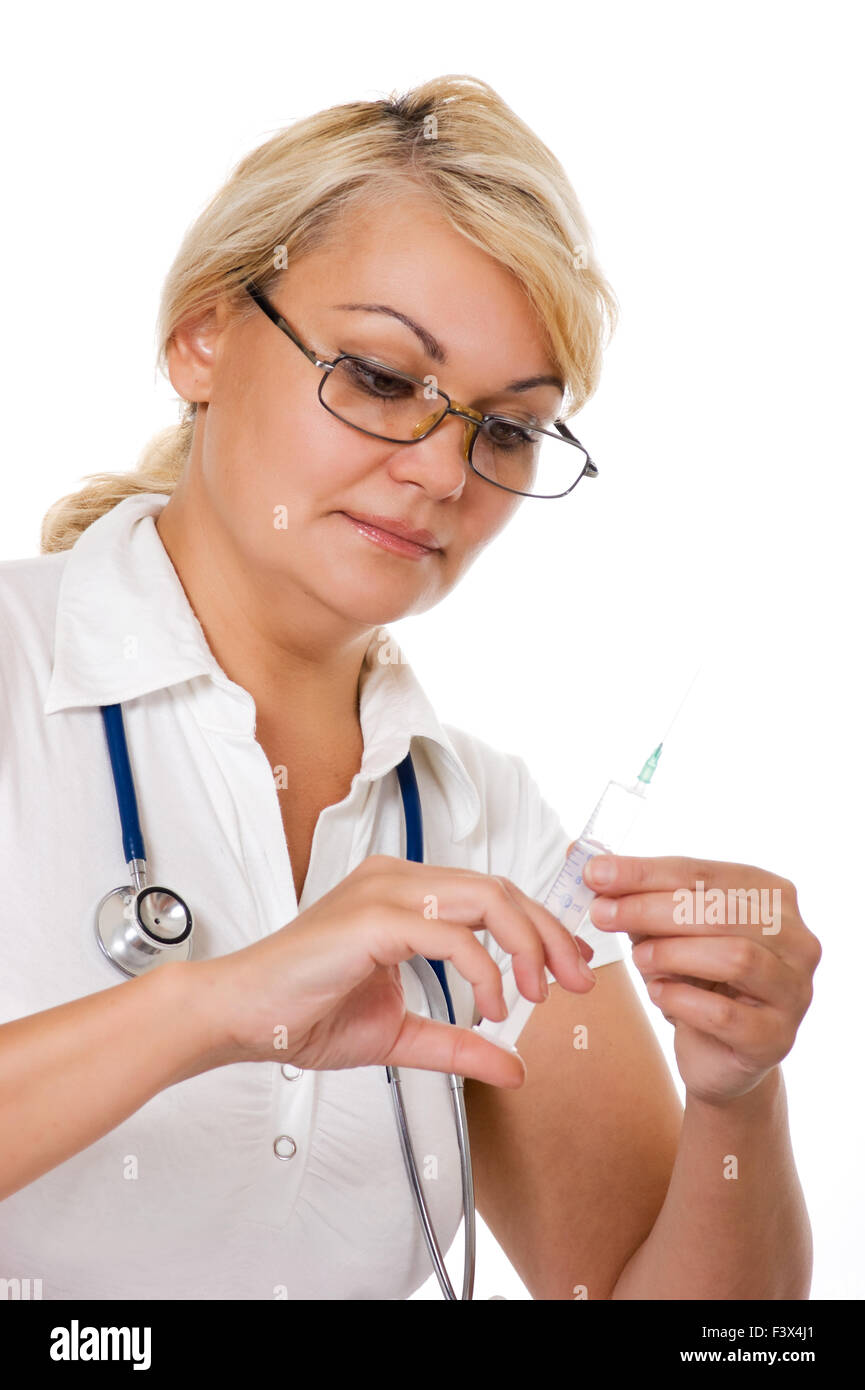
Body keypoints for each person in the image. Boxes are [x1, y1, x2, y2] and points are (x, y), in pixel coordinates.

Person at [0, 73, 820, 1302]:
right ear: (204, 335)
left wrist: (738, 1097)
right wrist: (215, 1008)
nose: (442, 471)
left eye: (504, 428)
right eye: (385, 377)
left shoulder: (486, 828)